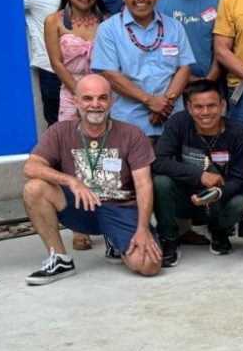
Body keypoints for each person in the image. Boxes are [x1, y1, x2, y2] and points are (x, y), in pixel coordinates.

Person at [21, 74, 161, 284]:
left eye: (102, 98)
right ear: (76, 101)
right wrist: (71, 181)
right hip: (81, 206)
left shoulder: (132, 134)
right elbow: (31, 166)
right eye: (87, 98)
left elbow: (143, 184)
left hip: (121, 208)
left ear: (111, 101)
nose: (95, 105)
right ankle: (59, 258)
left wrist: (142, 229)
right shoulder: (60, 131)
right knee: (34, 188)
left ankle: (115, 241)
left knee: (149, 266)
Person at [90, 0, 194, 139]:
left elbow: (184, 68)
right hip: (129, 121)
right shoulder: (108, 29)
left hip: (172, 118)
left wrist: (164, 105)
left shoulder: (174, 27)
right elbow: (110, 74)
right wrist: (149, 101)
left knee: (173, 168)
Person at [151, 80, 243, 261]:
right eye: (198, 107)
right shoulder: (179, 122)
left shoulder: (237, 133)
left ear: (223, 105)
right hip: (184, 196)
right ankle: (169, 238)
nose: (205, 113)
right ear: (189, 107)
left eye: (211, 106)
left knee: (240, 203)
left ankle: (218, 230)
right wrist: (199, 176)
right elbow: (158, 161)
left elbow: (241, 179)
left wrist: (218, 192)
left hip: (218, 200)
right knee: (160, 181)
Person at [41, 0, 109, 122]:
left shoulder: (107, 21)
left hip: (103, 90)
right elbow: (56, 62)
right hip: (71, 89)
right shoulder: (53, 21)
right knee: (71, 139)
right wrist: (79, 92)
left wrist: (98, 93)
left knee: (104, 138)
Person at [155, 0, 221, 85]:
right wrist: (187, 80)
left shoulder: (217, 3)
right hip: (164, 84)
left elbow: (222, 48)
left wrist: (208, 82)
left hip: (208, 85)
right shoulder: (155, 2)